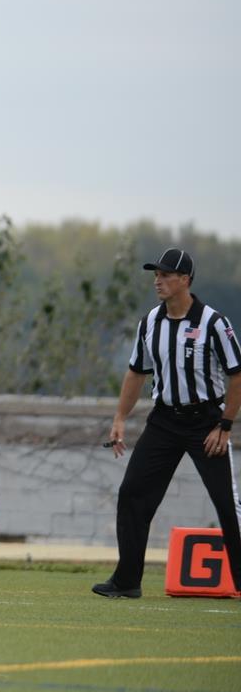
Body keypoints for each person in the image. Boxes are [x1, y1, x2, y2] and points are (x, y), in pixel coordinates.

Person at [94, 247, 241, 599]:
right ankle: (127, 580)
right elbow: (135, 372)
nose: (157, 281)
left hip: (206, 421)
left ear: (185, 280)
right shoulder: (151, 322)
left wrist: (224, 425)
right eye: (155, 275)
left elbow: (237, 376)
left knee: (225, 503)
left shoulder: (213, 323)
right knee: (132, 494)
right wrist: (119, 418)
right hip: (164, 420)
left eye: (165, 275)